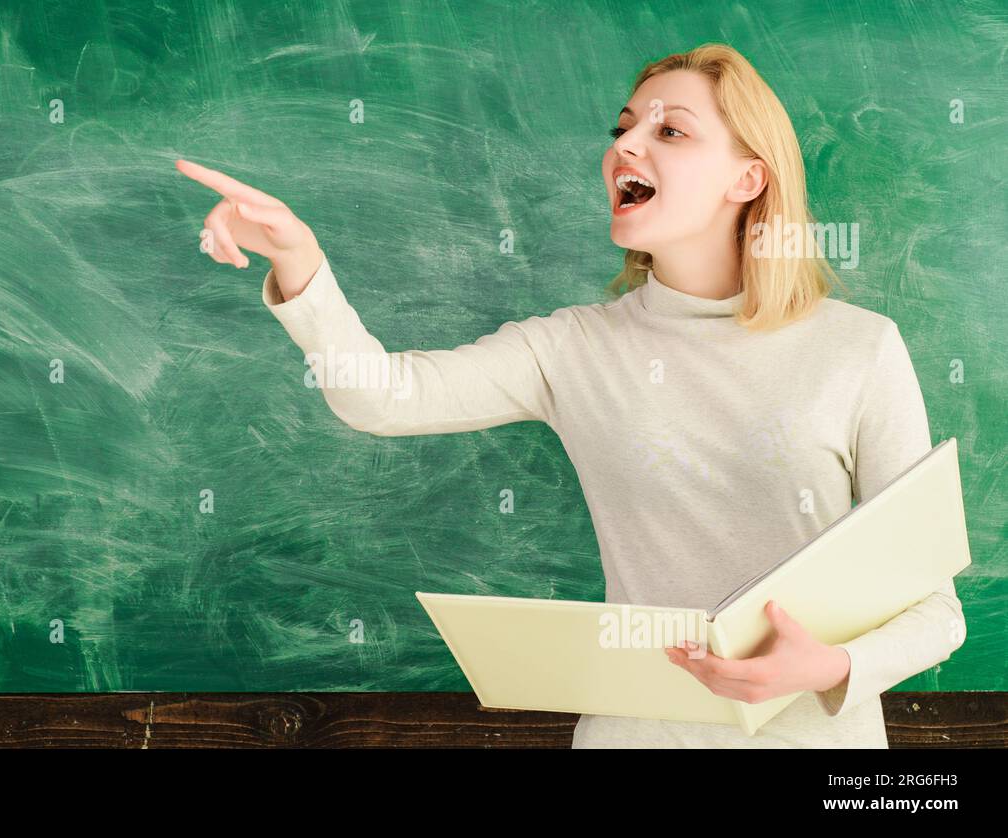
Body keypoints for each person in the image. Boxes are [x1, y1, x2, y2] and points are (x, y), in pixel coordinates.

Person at [175, 42, 965, 748]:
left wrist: (827, 665)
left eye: (670, 131)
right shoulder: (574, 347)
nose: (626, 144)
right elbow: (382, 397)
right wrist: (301, 261)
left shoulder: (859, 347)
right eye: (624, 128)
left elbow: (936, 613)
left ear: (749, 177)